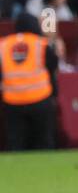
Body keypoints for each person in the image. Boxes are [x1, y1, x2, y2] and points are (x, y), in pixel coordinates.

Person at [1, 12, 58, 151]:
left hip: (12, 100)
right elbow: (53, 65)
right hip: (40, 97)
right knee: (44, 140)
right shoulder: (40, 43)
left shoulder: (4, 44)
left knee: (16, 142)